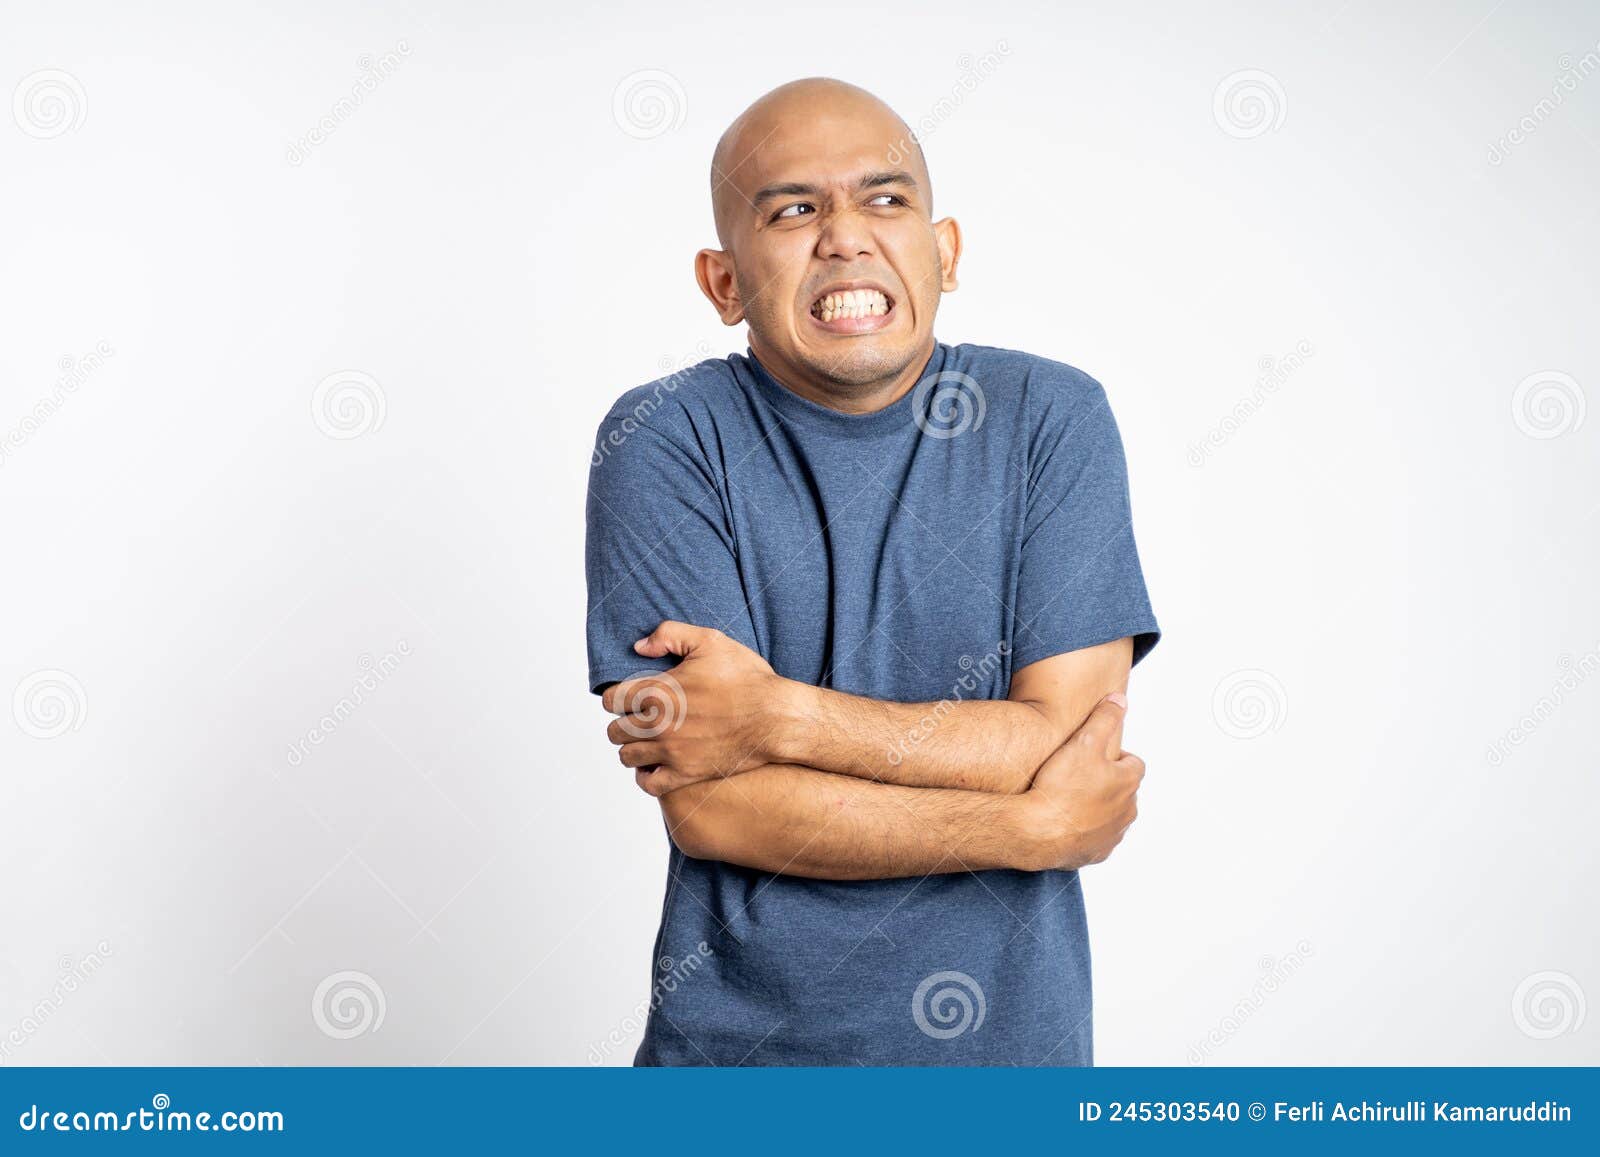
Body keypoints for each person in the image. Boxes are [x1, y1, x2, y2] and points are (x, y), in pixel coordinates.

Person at [585, 77, 1160, 1065]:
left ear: (944, 252)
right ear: (723, 283)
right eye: (793, 208)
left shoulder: (1050, 418)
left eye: (883, 200)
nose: (844, 236)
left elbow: (1059, 737)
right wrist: (1032, 829)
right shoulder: (663, 438)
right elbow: (716, 805)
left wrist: (779, 716)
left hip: (1009, 1066)